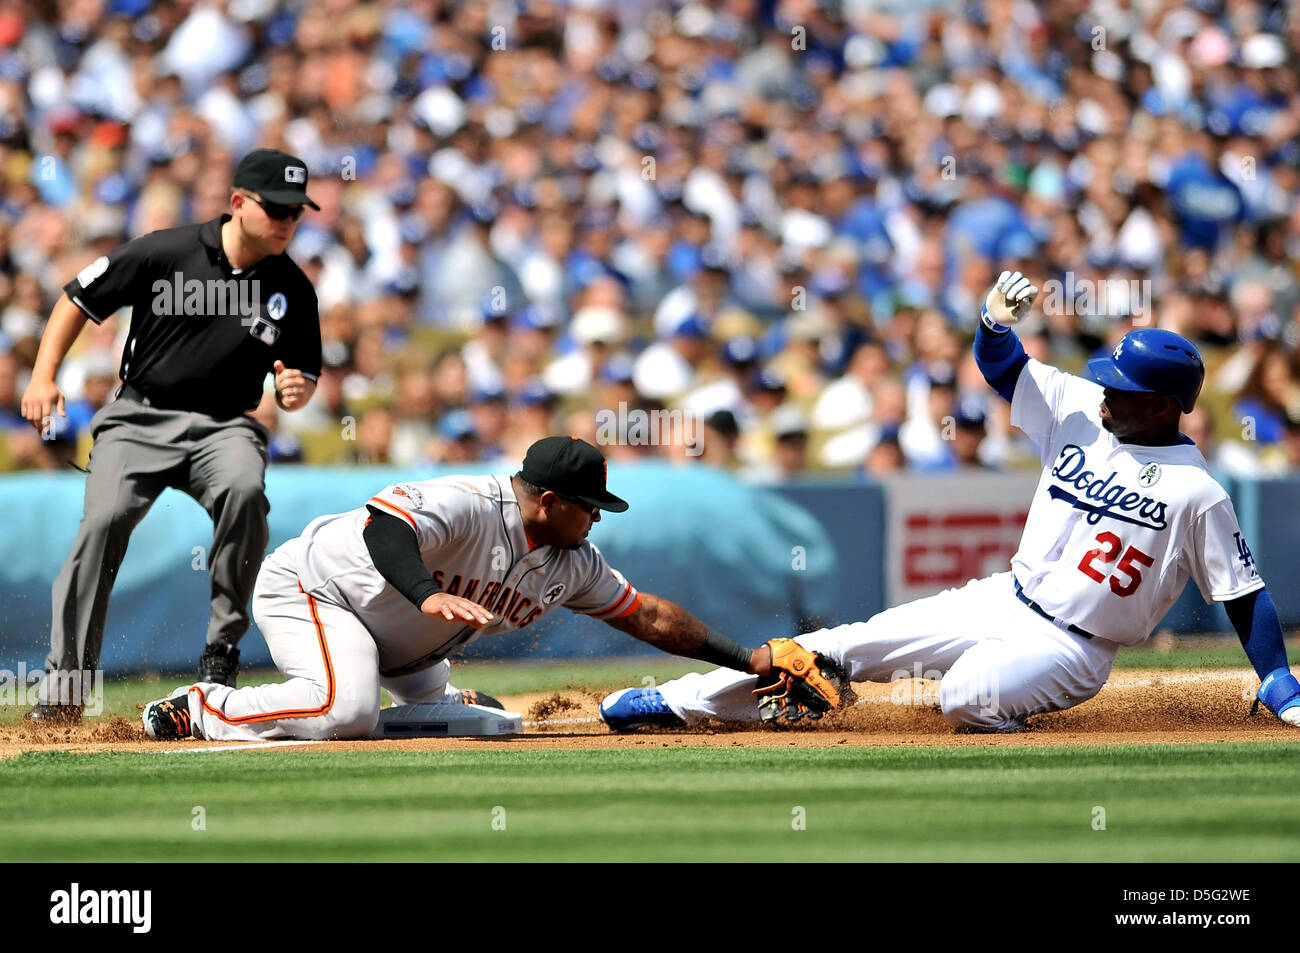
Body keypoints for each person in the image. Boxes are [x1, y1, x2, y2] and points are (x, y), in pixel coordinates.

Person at [598, 272, 1300, 733]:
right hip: (1003, 597)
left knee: (964, 695)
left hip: (1073, 647)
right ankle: (680, 701)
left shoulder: (1196, 489)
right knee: (837, 648)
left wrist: (1275, 676)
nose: (1105, 389)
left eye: (1121, 386)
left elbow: (1243, 591)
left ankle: (1028, 743)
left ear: (1162, 404)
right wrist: (994, 322)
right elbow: (1003, 366)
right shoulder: (1084, 409)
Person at [139, 436, 784, 742]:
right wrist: (424, 593)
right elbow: (385, 528)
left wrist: (748, 658)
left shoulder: (573, 561)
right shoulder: (472, 501)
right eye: (588, 507)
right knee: (346, 713)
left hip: (406, 645)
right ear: (550, 501)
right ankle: (203, 706)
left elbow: (648, 617)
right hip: (317, 590)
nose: (596, 518)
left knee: (488, 725)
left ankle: (431, 696)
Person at [22, 149, 323, 722]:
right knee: (104, 525)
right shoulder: (167, 251)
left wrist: (298, 390)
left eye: (296, 212)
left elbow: (302, 369)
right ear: (239, 203)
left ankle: (220, 652)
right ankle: (64, 689)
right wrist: (42, 375)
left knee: (242, 490)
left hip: (226, 423)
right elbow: (78, 298)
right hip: (140, 418)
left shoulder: (292, 288)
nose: (287, 221)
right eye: (276, 209)